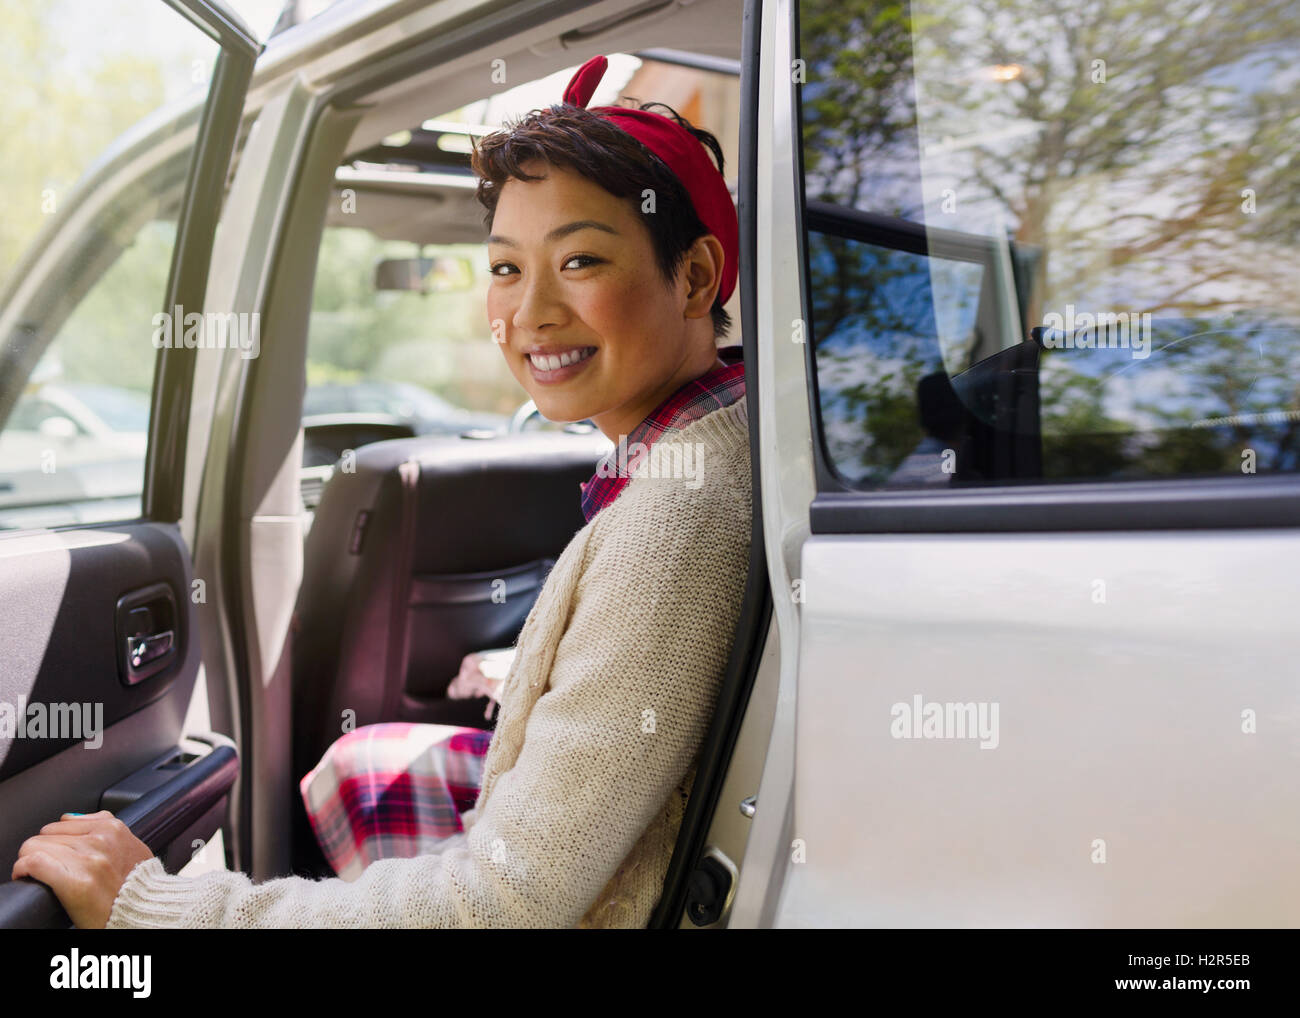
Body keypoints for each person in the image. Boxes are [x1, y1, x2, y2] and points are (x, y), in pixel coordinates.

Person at [10, 53, 752, 929]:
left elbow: (503, 905)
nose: (528, 313)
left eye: (581, 260)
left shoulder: (673, 521)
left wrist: (160, 906)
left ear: (698, 277)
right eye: (506, 268)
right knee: (365, 759)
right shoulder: (718, 449)